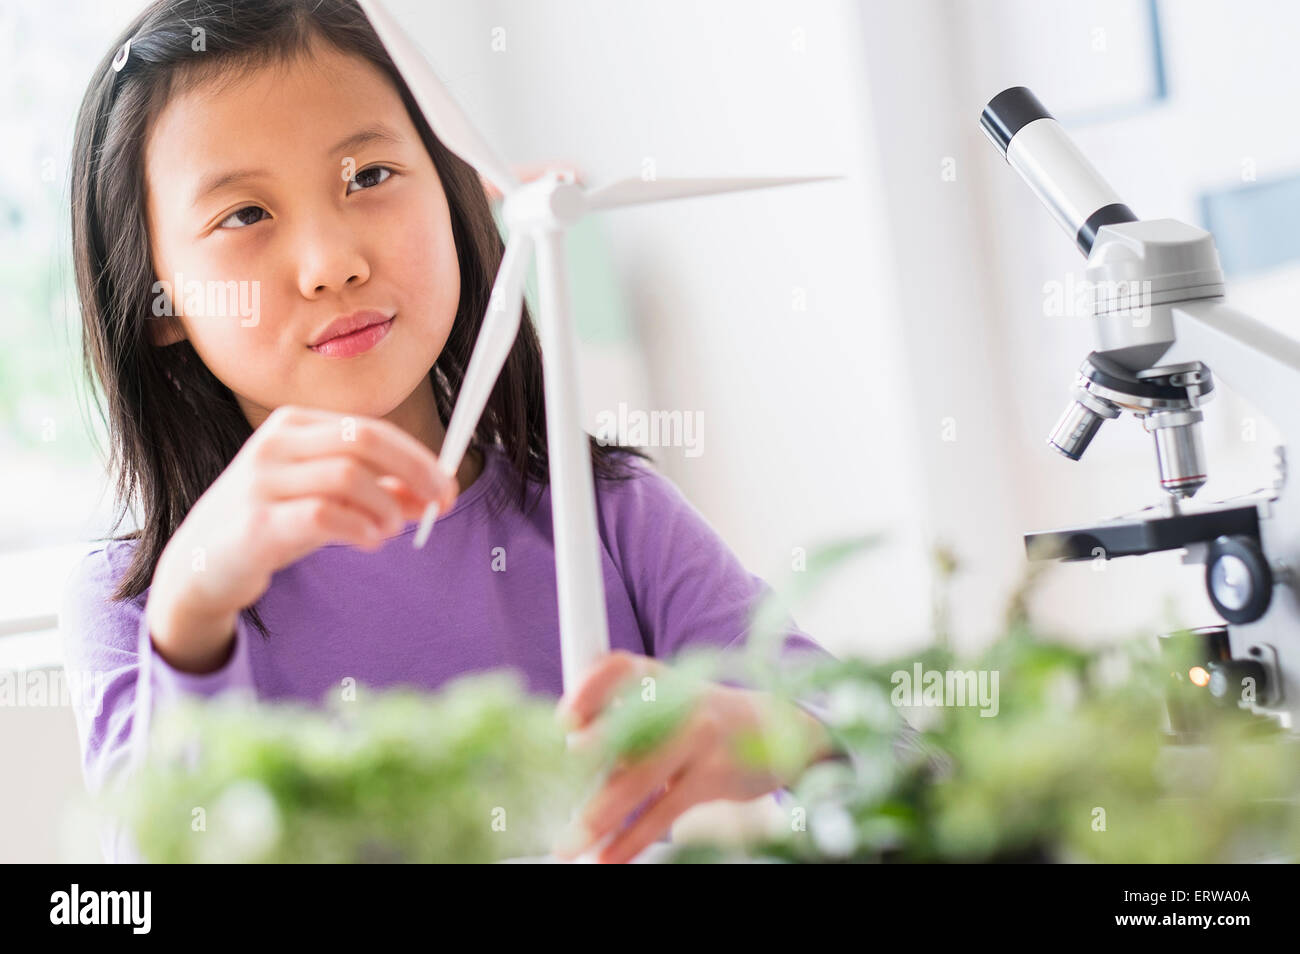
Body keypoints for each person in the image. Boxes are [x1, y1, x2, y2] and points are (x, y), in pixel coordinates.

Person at [61, 0, 847, 864]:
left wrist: (779, 737)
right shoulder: (138, 601)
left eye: (368, 176)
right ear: (155, 302)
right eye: (244, 216)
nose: (333, 262)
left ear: (452, 193)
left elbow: (902, 757)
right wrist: (191, 615)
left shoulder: (611, 517)